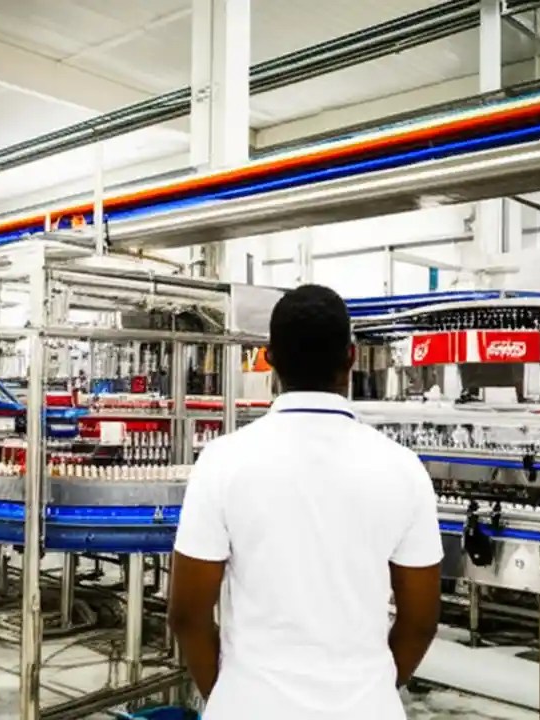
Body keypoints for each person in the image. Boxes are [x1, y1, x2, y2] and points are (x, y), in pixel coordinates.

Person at [168, 284, 443, 719]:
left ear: (269, 357)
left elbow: (186, 614)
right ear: (351, 358)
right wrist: (366, 690)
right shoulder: (404, 468)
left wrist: (232, 695)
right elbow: (422, 621)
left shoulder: (223, 462)